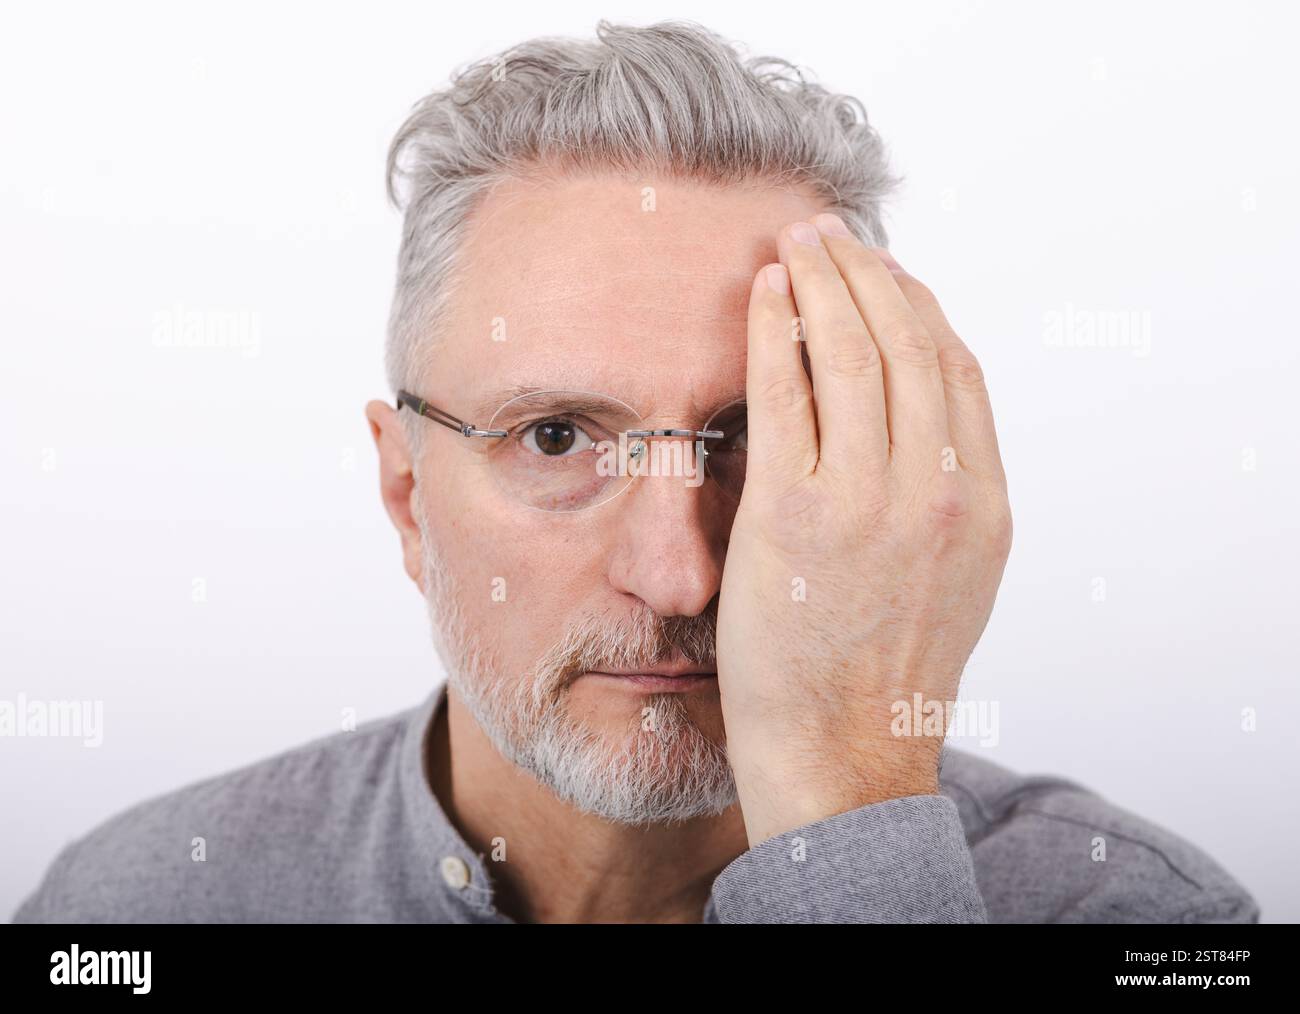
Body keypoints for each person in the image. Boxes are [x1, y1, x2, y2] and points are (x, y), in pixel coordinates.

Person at [14, 20, 1258, 924]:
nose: (677, 573)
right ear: (405, 495)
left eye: (754, 438)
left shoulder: (1137, 921)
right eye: (555, 436)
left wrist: (848, 810)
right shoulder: (136, 907)